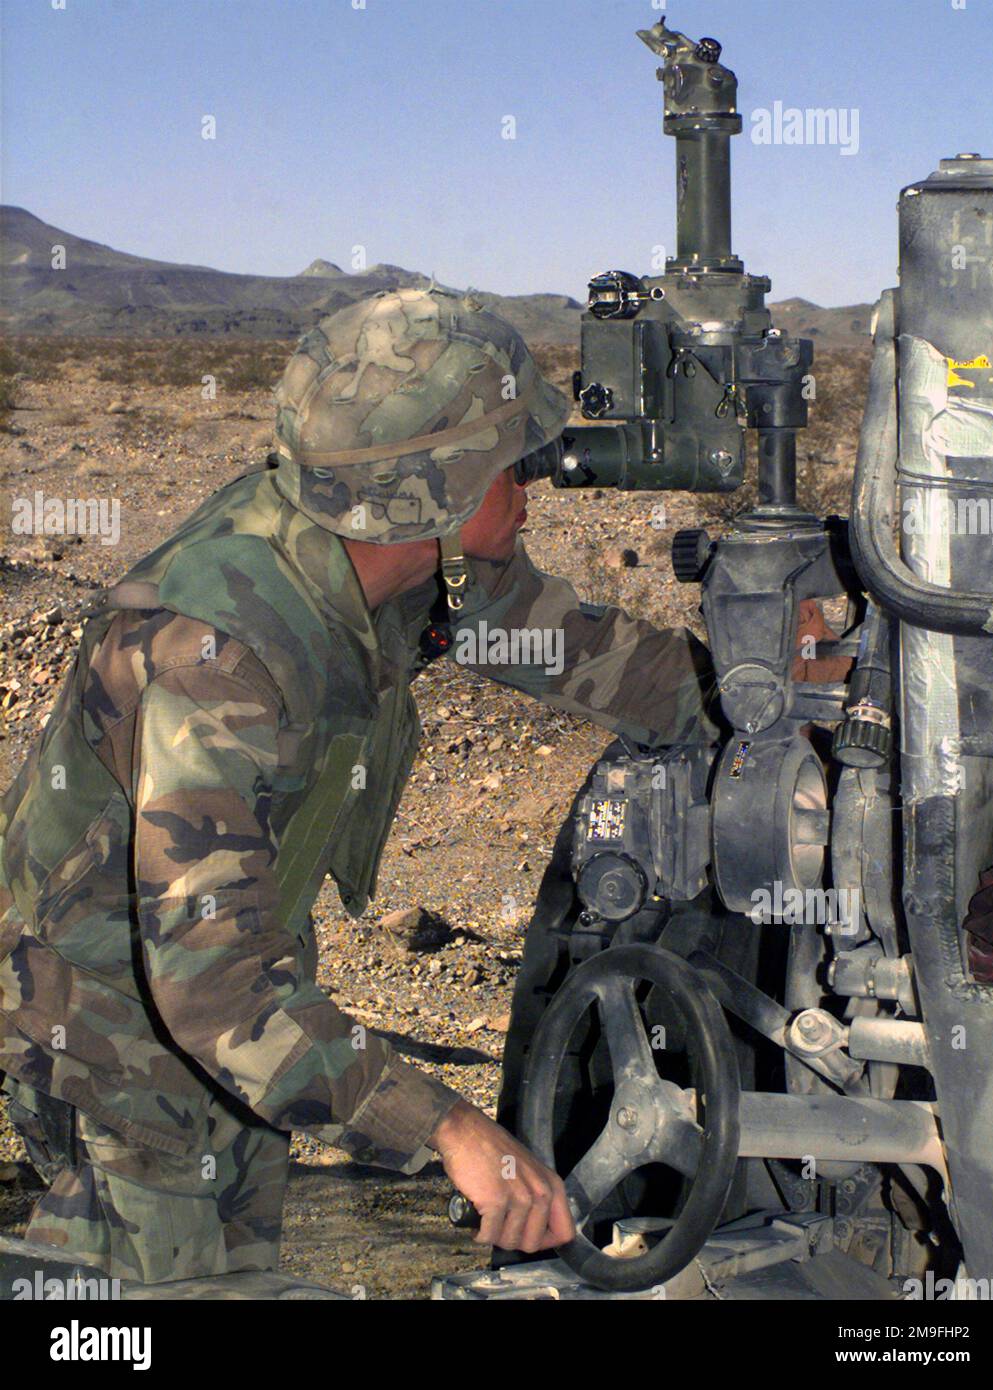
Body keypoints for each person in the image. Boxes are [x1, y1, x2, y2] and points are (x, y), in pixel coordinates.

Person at [0, 286, 817, 1284]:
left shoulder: (397, 563)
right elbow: (214, 996)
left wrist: (761, 688)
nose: (536, 486)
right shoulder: (216, 655)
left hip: (231, 977)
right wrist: (450, 1129)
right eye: (512, 464)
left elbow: (576, 649)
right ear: (431, 494)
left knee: (236, 1247)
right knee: (154, 1292)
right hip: (112, 1021)